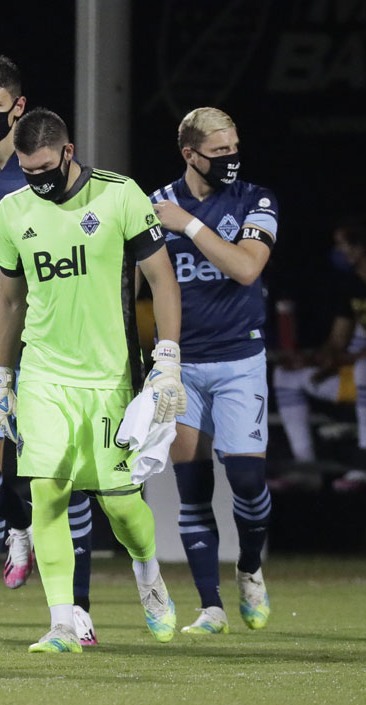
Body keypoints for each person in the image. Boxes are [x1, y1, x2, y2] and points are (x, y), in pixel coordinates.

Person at [0, 108, 183, 653]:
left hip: (110, 376)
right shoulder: (12, 211)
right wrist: (2, 377)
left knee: (120, 505)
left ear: (68, 152)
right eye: (27, 171)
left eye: (45, 168)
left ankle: (148, 574)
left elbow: (162, 280)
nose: (37, 180)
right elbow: (9, 299)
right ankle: (61, 624)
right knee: (47, 491)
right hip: (44, 373)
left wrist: (168, 358)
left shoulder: (120, 195)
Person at [0, 55, 101, 643]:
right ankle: (24, 522)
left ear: (18, 107)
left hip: (50, 348)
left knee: (66, 480)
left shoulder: (48, 166)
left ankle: (79, 609)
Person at [149, 107, 279, 634]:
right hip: (183, 363)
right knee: (193, 486)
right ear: (190, 154)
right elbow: (139, 286)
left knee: (246, 478)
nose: (231, 159)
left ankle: (249, 566)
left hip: (239, 360)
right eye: (219, 151)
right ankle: (211, 607)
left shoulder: (255, 200)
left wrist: (189, 224)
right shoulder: (154, 205)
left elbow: (246, 268)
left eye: (234, 149)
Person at [274, 219, 366, 488]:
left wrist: (342, 359)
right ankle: (306, 467)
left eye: (342, 245)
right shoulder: (351, 284)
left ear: (362, 247)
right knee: (286, 374)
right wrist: (315, 358)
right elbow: (338, 340)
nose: (338, 251)